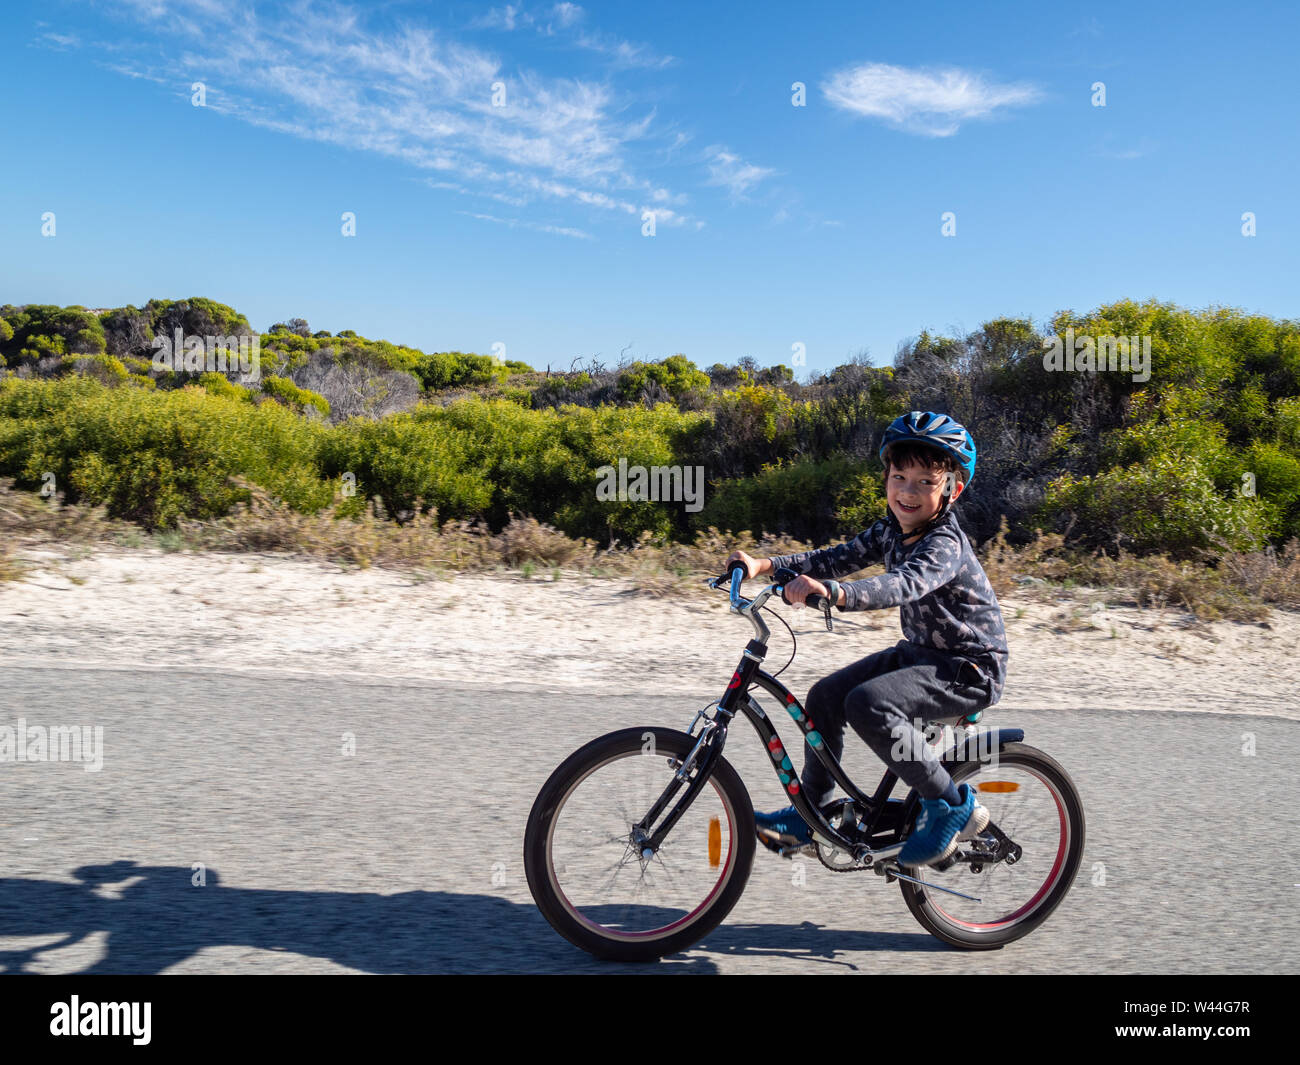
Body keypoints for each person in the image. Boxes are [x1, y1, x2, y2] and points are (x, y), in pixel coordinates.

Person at [725, 411, 1008, 867]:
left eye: (925, 481)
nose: (908, 491)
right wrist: (766, 565)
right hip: (922, 655)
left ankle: (952, 806)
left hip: (969, 669)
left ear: (952, 489)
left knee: (868, 704)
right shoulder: (892, 530)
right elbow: (835, 557)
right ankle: (813, 813)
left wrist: (835, 594)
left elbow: (902, 583)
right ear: (886, 478)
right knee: (825, 696)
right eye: (899, 476)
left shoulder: (944, 544)